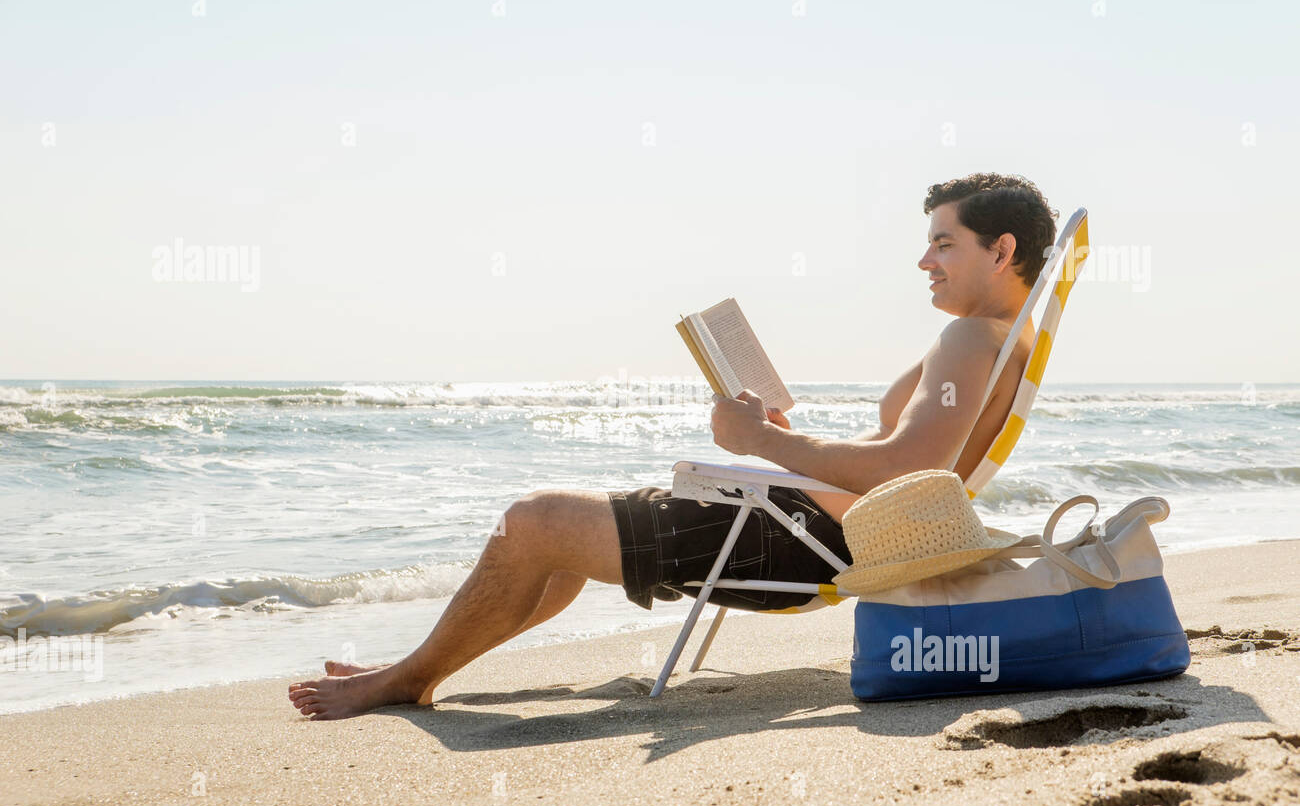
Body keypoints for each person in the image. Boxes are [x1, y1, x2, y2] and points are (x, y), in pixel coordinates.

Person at [289, 172, 1058, 719]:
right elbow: (904, 458)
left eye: (943, 244)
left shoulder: (968, 336)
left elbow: (906, 471)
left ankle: (404, 681)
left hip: (799, 543)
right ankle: (414, 671)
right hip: (804, 529)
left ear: (1000, 251)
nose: (924, 261)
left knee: (533, 520)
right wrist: (784, 445)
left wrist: (759, 441)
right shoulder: (998, 340)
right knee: (562, 532)